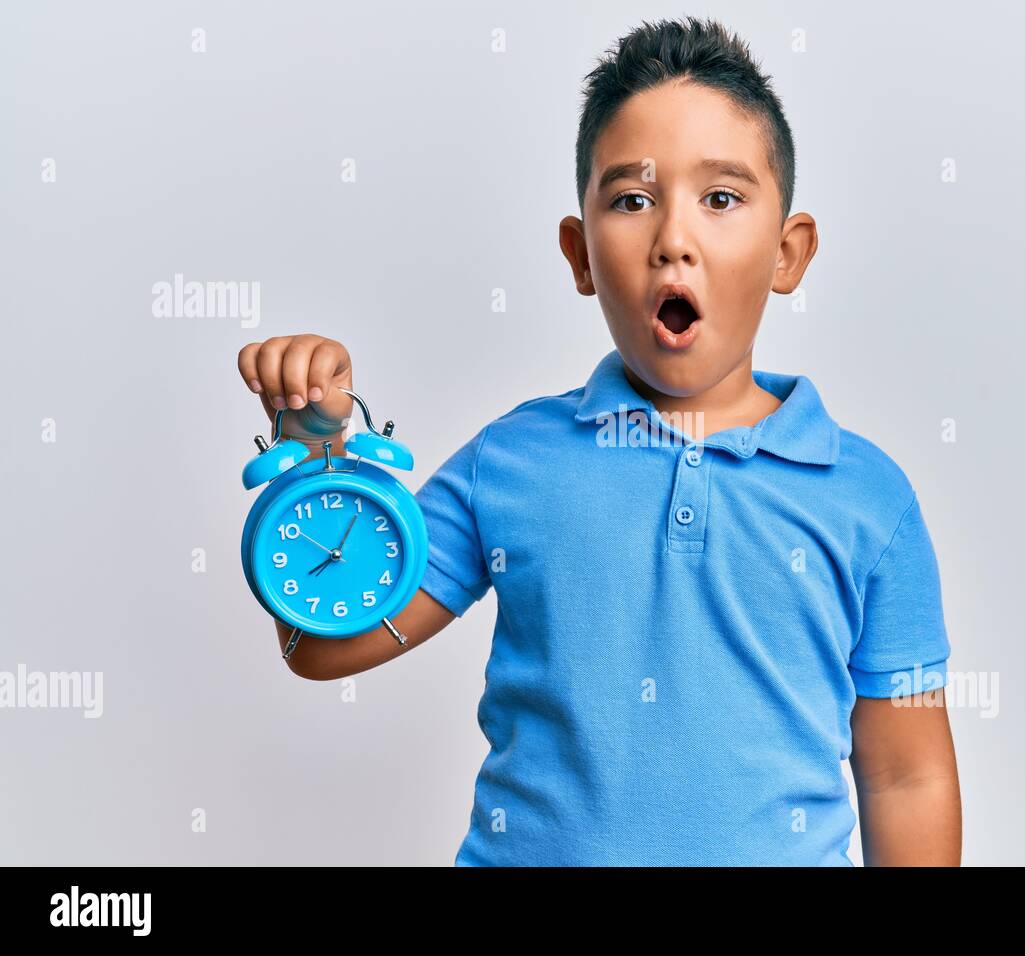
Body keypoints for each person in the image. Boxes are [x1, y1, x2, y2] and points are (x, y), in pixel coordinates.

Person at [235, 16, 960, 866]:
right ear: (580, 256)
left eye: (721, 199)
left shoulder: (869, 498)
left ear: (787, 253)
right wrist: (316, 458)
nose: (673, 241)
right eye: (632, 200)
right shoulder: (510, 463)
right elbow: (320, 646)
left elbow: (907, 775)